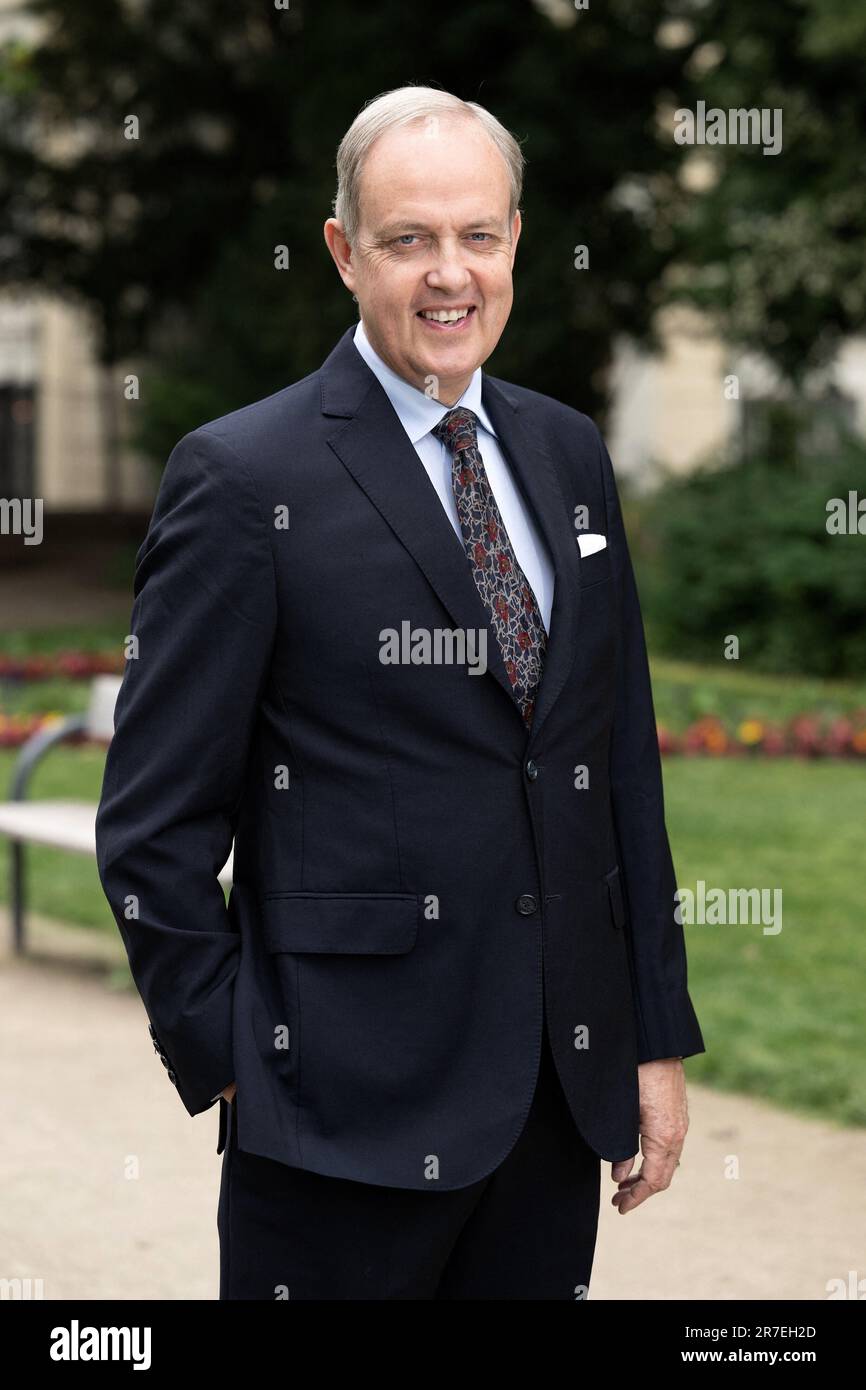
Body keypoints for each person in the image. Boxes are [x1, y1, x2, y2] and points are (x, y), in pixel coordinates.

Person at [95, 85, 705, 1301]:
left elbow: (613, 771)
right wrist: (233, 1055)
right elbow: (152, 824)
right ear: (342, 251)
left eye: (476, 235)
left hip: (550, 1098)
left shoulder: (568, 453)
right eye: (407, 239)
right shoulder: (241, 477)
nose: (448, 274)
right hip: (334, 1115)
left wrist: (649, 1033)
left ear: (514, 241)